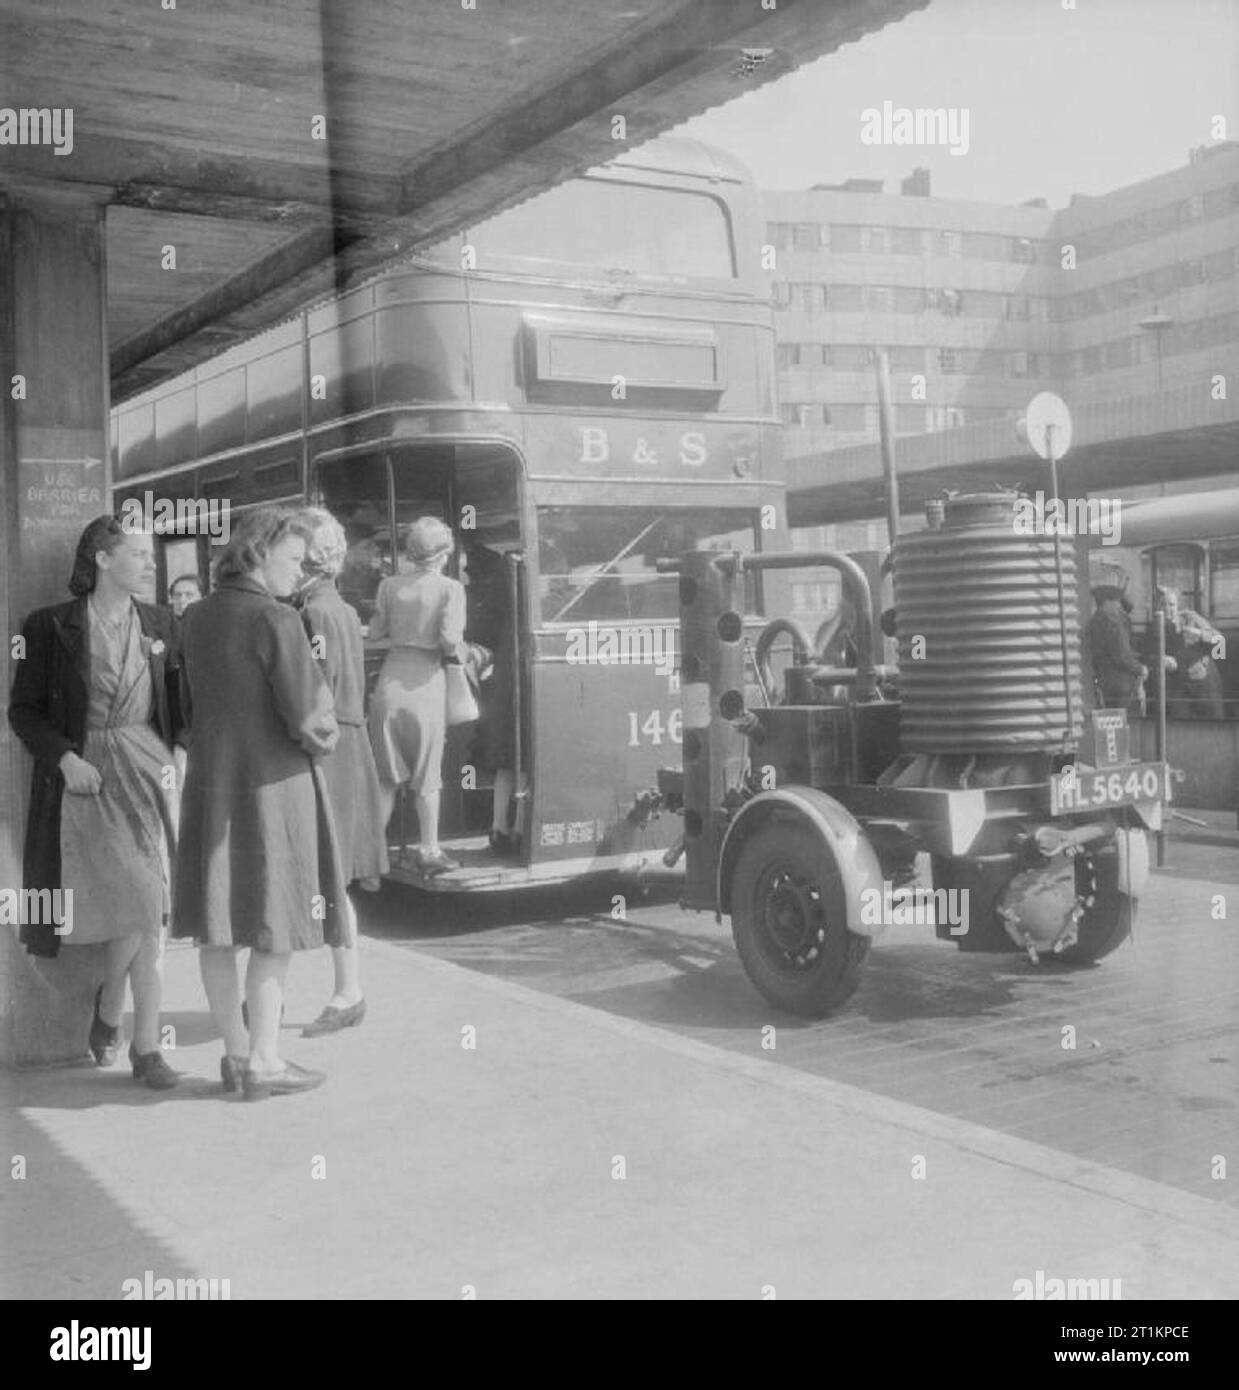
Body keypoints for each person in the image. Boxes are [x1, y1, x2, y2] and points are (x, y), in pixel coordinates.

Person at [173, 506, 350, 1100]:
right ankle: (267, 1060)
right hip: (274, 786)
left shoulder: (195, 617)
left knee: (219, 927)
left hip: (211, 782)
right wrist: (326, 735)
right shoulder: (276, 619)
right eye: (294, 560)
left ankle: (236, 1053)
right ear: (258, 552)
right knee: (275, 921)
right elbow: (308, 714)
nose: (300, 573)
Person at [8, 516, 187, 1090]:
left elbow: (182, 703)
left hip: (148, 770)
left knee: (149, 905)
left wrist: (180, 753)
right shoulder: (48, 627)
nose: (150, 563)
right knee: (142, 900)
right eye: (137, 553)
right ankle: (116, 1018)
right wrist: (65, 760)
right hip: (86, 781)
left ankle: (138, 1039)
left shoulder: (160, 622)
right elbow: (24, 710)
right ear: (103, 560)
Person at [294, 507, 389, 1035]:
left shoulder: (311, 613)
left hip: (326, 749)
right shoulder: (342, 608)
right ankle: (338, 988)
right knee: (331, 877)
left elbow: (315, 691)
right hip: (349, 744)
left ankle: (345, 989)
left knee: (319, 873)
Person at [367, 516, 466, 874]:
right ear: (443, 554)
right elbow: (450, 640)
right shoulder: (451, 589)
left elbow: (376, 631)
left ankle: (371, 852)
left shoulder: (389, 586)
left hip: (389, 685)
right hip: (426, 685)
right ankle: (429, 850)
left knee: (387, 777)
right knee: (428, 776)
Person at [462, 531, 525, 854]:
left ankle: (499, 827)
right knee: (526, 757)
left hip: (506, 668)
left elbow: (484, 624)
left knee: (506, 757)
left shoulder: (505, 569)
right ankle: (520, 828)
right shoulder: (545, 563)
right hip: (524, 669)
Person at [1150, 586, 1224, 720]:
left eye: (1171, 604)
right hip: (1179, 685)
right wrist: (1161, 659)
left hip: (1205, 682)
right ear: (1157, 607)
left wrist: (1200, 634)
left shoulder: (1191, 618)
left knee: (1214, 725)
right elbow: (1149, 656)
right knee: (1180, 725)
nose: (1167, 609)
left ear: (1178, 606)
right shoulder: (1155, 627)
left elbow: (1220, 641)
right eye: (1163, 604)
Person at [1087, 584, 1147, 715]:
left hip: (1106, 683)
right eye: (1117, 602)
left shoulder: (1095, 621)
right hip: (1122, 684)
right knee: (1130, 723)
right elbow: (1122, 655)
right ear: (1107, 603)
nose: (1119, 606)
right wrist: (1140, 669)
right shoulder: (1111, 624)